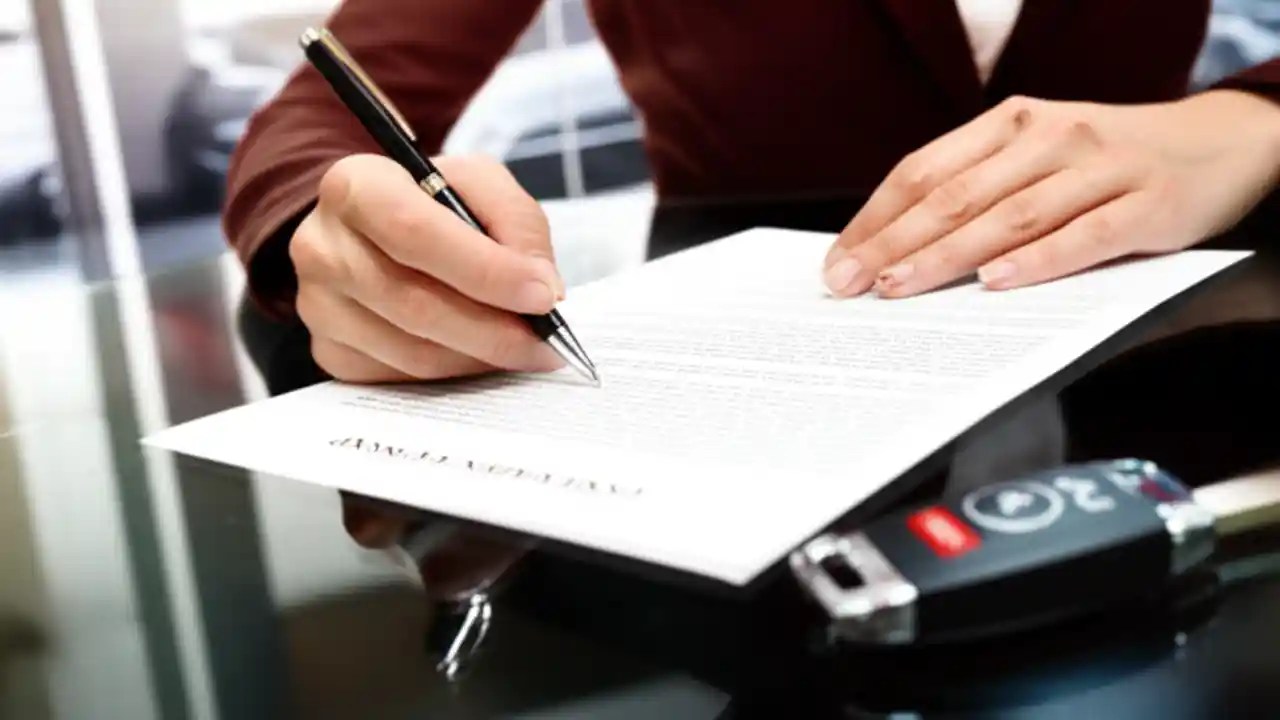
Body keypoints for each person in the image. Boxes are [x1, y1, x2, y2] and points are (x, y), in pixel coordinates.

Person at [225, 1, 1280, 384]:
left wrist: (1248, 121)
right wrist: (338, 219)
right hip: (749, 378)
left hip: (1155, 367)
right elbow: (319, 113)